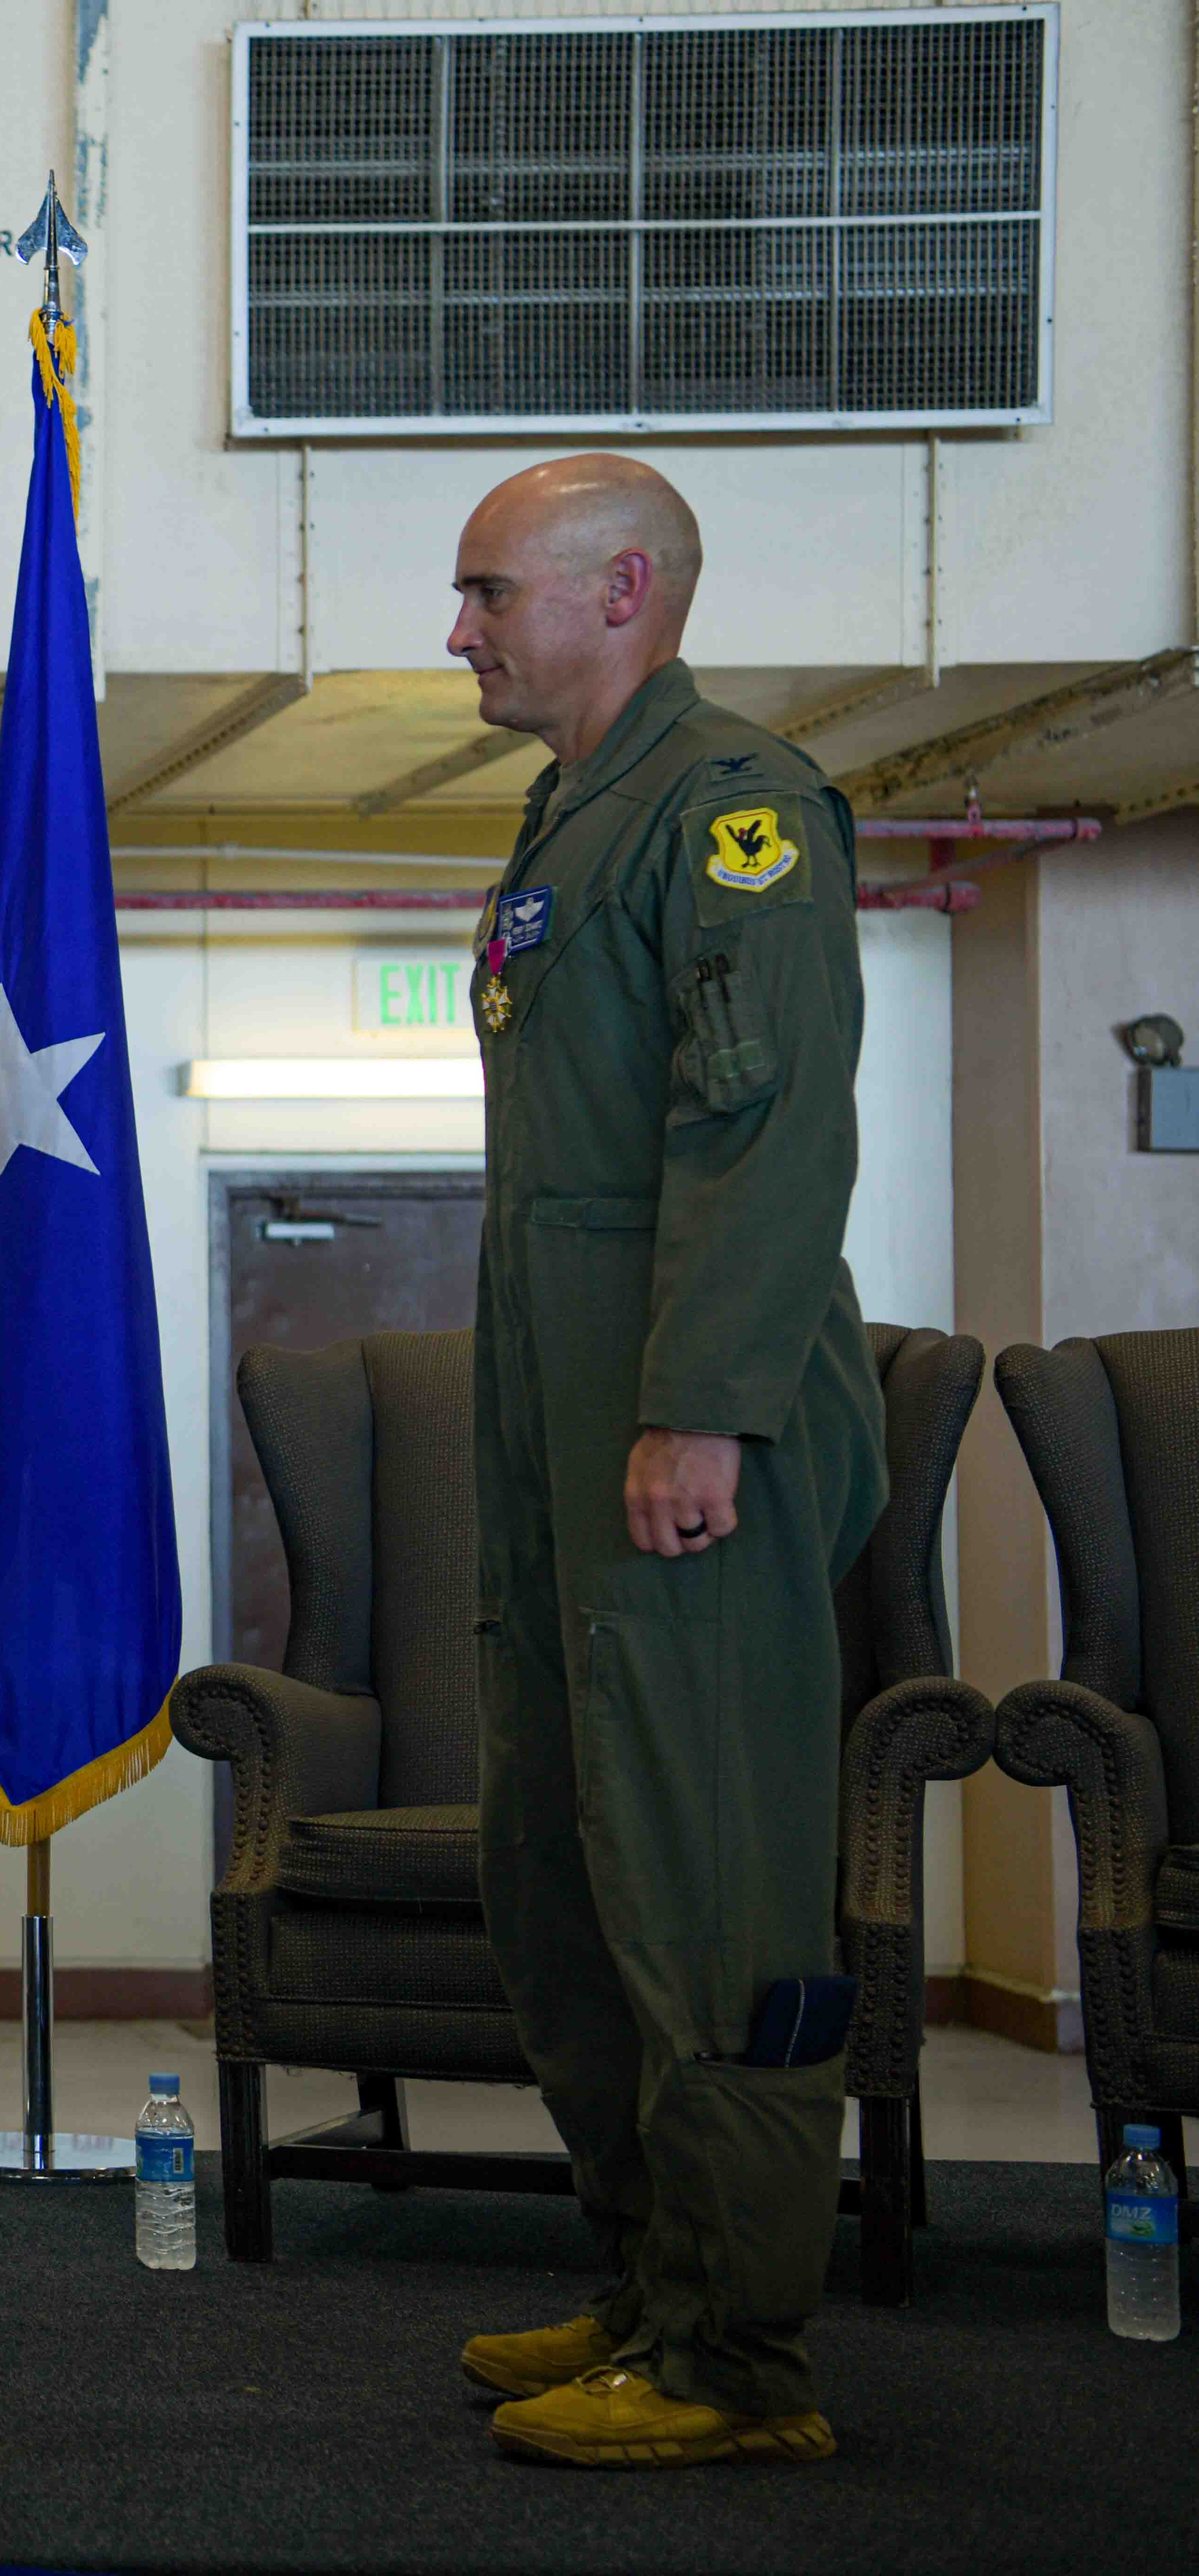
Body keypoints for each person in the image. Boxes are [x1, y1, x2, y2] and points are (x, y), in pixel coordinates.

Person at [442, 454, 885, 2469]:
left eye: (487, 593)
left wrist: (698, 1402)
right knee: (567, 1860)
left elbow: (765, 1129)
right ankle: (644, 2280)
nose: (458, 631)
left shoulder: (733, 806)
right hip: (568, 1413)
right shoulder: (573, 815)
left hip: (684, 1424)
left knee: (706, 1875)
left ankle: (737, 2356)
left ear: (621, 591)